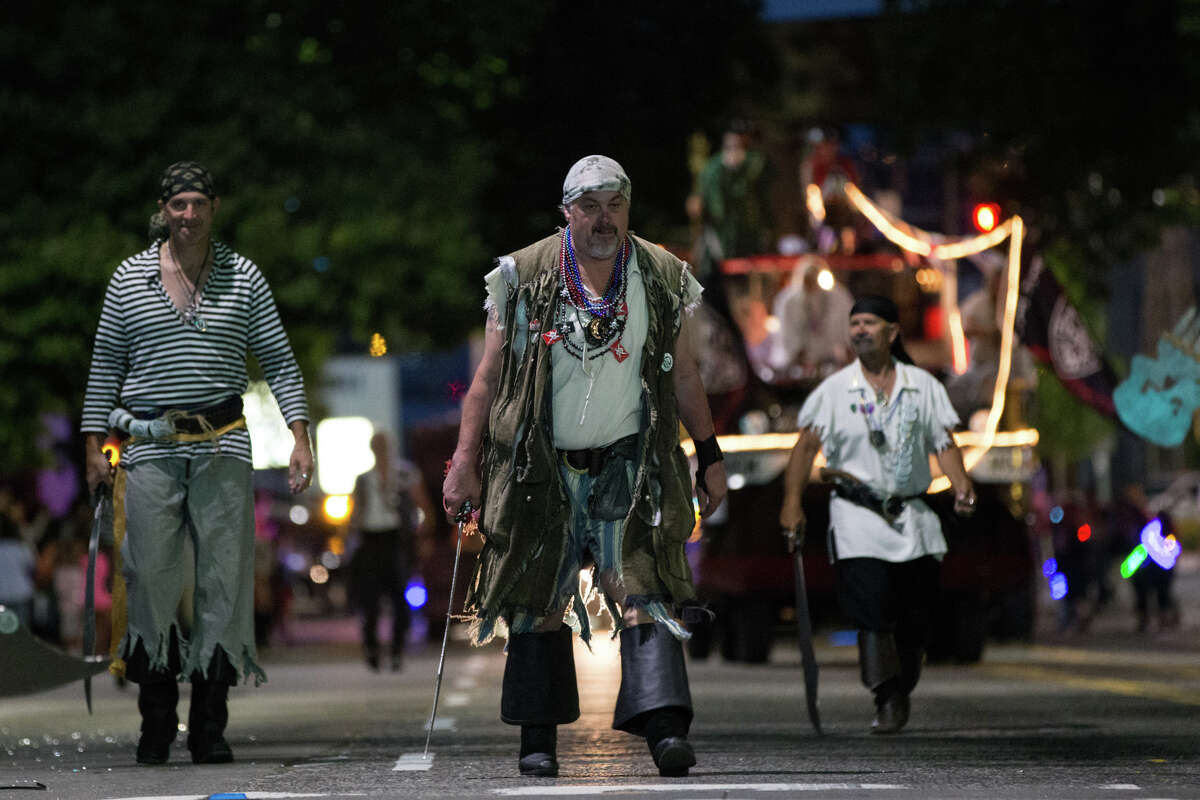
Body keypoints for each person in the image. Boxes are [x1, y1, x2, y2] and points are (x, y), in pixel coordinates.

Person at [442, 155, 727, 778]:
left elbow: (684, 375)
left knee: (645, 589)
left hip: (630, 465)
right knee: (538, 595)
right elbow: (487, 377)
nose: (604, 219)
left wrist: (709, 454)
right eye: (590, 207)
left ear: (628, 208)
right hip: (540, 470)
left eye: (614, 205)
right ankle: (538, 741)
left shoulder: (662, 275)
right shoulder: (521, 275)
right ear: (566, 212)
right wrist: (464, 461)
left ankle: (666, 732)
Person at [81, 161, 313, 766]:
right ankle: (156, 721)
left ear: (214, 209)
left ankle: (210, 726)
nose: (188, 214)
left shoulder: (245, 276)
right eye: (178, 204)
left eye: (198, 204)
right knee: (149, 580)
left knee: (223, 583)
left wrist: (300, 436)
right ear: (164, 210)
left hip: (223, 442)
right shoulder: (128, 278)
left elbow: (279, 360)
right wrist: (92, 446)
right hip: (150, 445)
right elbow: (104, 365)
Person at [779, 295, 975, 734]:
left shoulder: (922, 386)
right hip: (857, 518)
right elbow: (805, 449)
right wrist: (791, 503)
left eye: (869, 322)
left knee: (915, 616)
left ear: (892, 332)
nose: (860, 330)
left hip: (913, 517)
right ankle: (886, 696)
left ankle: (901, 685)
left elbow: (944, 443)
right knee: (871, 606)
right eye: (855, 324)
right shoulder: (834, 391)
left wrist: (961, 483)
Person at [348, 431, 434, 672]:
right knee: (370, 599)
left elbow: (423, 505)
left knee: (399, 597)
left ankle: (397, 649)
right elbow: (355, 512)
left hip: (396, 539)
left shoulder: (405, 474)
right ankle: (372, 648)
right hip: (370, 538)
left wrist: (422, 536)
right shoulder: (364, 479)